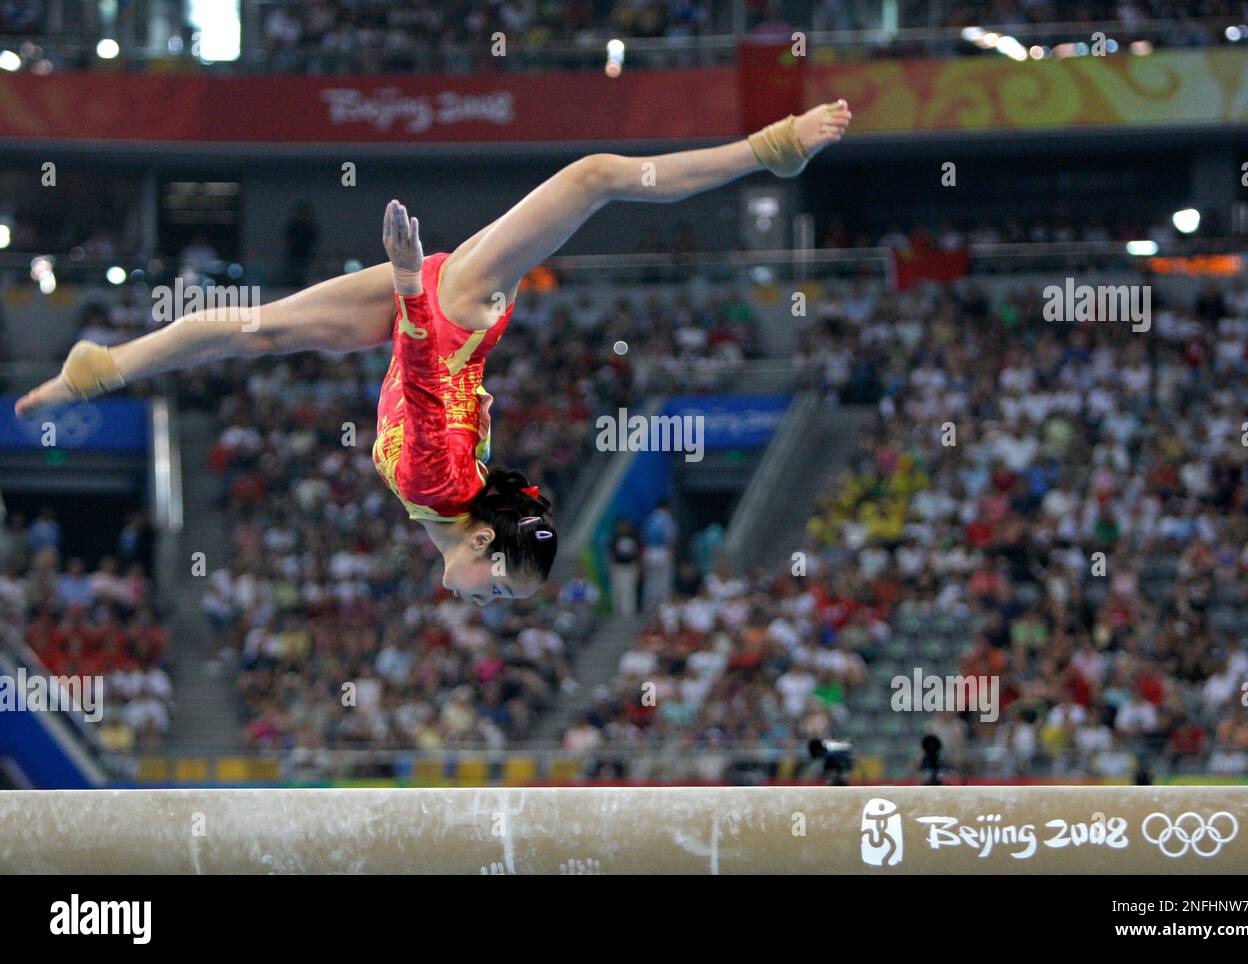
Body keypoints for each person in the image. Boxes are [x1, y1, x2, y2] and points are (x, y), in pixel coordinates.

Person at [15, 100, 854, 604]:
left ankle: (103, 367)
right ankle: (770, 151)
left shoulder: (451, 515)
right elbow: (421, 386)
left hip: (436, 330)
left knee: (257, 329)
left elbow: (470, 462)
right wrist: (414, 284)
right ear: (485, 548)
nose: (480, 604)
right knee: (596, 176)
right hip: (446, 315)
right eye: (496, 594)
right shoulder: (441, 491)